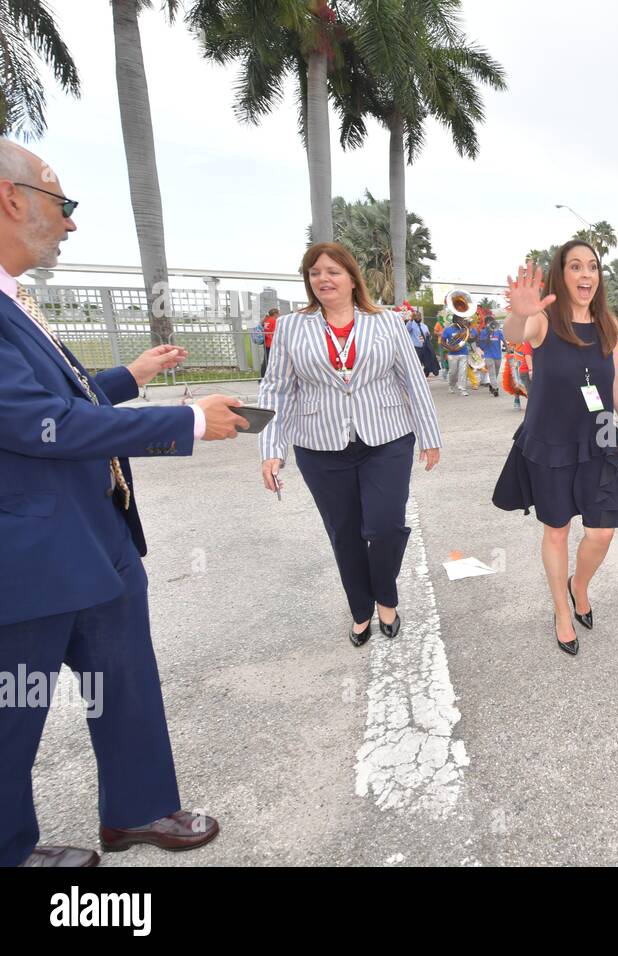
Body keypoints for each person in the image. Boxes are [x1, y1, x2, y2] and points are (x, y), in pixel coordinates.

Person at [0, 140, 246, 867]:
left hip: (92, 537)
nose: (70, 224)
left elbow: (56, 405)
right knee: (13, 712)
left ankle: (137, 810)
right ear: (12, 198)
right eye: (61, 204)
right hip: (28, 555)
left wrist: (130, 376)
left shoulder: (16, 300)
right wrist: (189, 421)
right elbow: (38, 425)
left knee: (124, 682)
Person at [259, 242, 442, 647]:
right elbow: (276, 390)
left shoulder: (387, 322)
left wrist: (430, 436)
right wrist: (271, 450)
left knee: (386, 525)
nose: (323, 279)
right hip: (320, 445)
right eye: (314, 273)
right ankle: (361, 610)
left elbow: (412, 380)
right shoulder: (291, 327)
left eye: (333, 271)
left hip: (387, 436)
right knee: (344, 533)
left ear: (351, 277)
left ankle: (386, 598)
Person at [492, 240, 618, 656]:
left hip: (599, 441)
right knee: (557, 530)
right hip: (551, 442)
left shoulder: (608, 323)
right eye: (575, 266)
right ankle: (561, 611)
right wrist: (519, 313)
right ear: (562, 274)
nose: (586, 274)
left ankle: (579, 585)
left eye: (592, 266)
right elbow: (517, 333)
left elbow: (616, 384)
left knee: (603, 531)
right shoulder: (543, 321)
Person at [441, 315, 472, 397]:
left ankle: (463, 389)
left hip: (463, 353)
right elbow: (442, 342)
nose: (463, 321)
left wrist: (469, 329)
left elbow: (471, 339)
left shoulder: (465, 329)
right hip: (452, 354)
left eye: (463, 319)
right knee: (453, 372)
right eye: (461, 320)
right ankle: (451, 385)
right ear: (456, 320)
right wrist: (450, 348)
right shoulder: (448, 330)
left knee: (463, 371)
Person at [477, 318, 505, 397]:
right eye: (488, 323)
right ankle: (495, 389)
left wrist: (508, 348)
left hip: (498, 355)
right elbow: (482, 344)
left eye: (491, 323)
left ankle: (492, 385)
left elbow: (504, 340)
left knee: (496, 373)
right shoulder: (483, 332)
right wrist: (489, 335)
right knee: (492, 372)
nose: (490, 325)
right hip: (488, 355)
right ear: (485, 324)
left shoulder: (498, 331)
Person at [259, 307, 279, 379]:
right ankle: (266, 377)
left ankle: (262, 377)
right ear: (275, 314)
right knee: (272, 361)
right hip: (271, 344)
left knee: (266, 360)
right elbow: (274, 332)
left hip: (266, 343)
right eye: (278, 314)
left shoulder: (267, 320)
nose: (278, 316)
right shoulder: (274, 321)